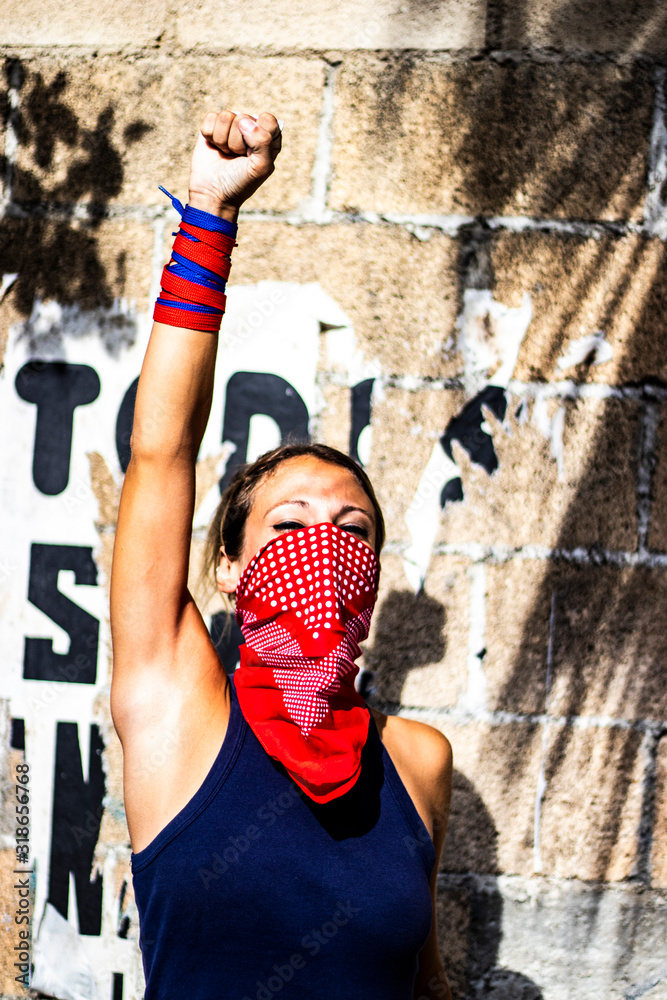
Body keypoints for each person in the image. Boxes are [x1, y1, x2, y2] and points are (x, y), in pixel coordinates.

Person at [110, 108, 453, 1000]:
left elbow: (424, 983)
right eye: (288, 526)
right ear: (228, 568)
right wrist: (209, 219)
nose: (324, 549)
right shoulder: (179, 714)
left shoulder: (416, 761)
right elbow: (161, 453)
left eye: (352, 532)